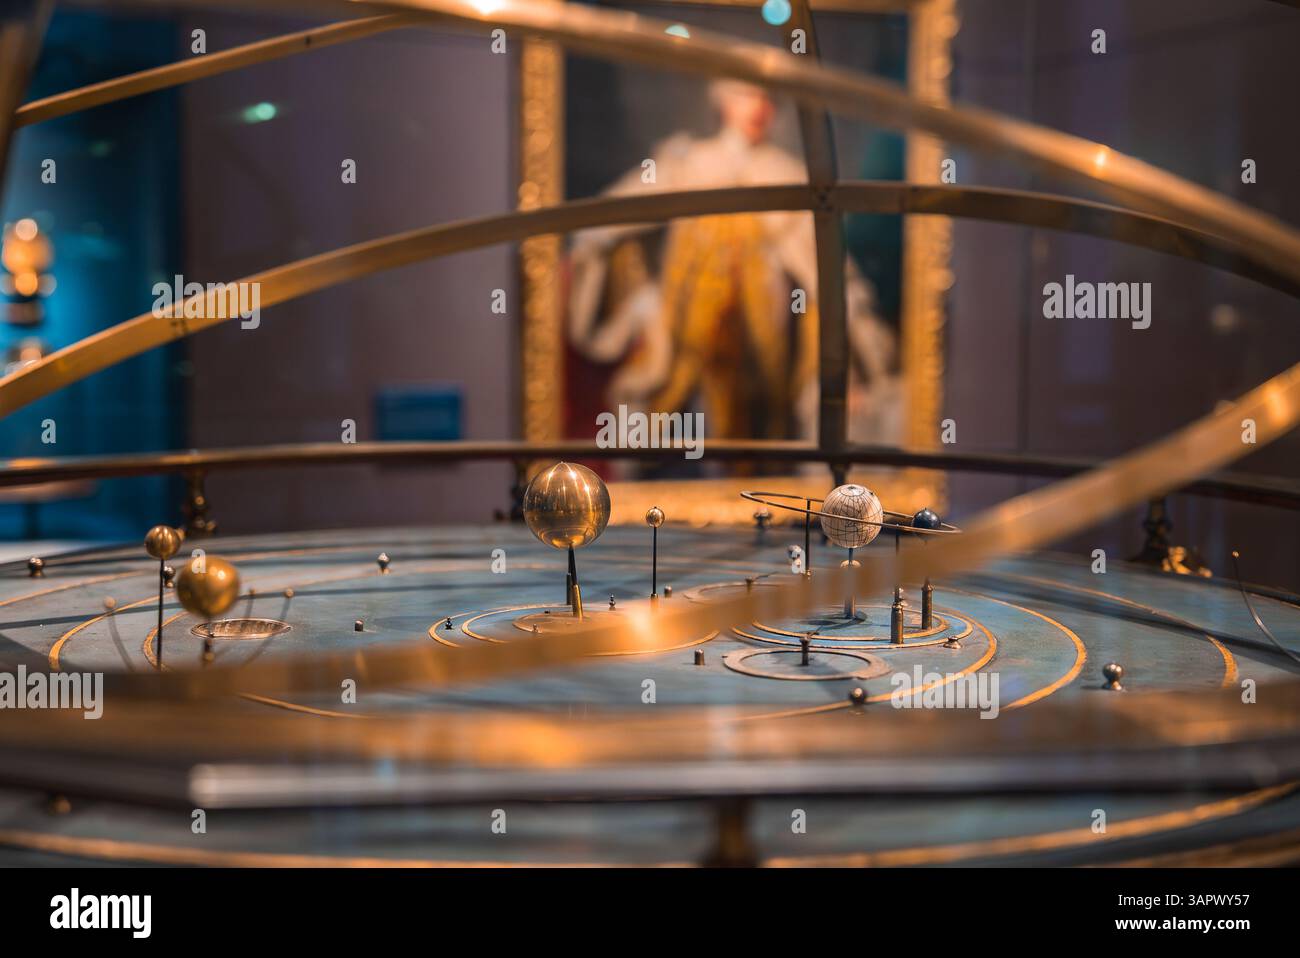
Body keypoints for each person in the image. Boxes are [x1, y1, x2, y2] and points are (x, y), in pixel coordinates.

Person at [568, 79, 899, 446]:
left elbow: (828, 272)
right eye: (747, 96)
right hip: (688, 340)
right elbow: (614, 216)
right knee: (685, 428)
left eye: (766, 98)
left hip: (766, 351)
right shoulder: (689, 164)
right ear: (724, 102)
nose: (758, 107)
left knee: (757, 436)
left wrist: (853, 357)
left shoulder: (786, 175)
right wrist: (596, 248)